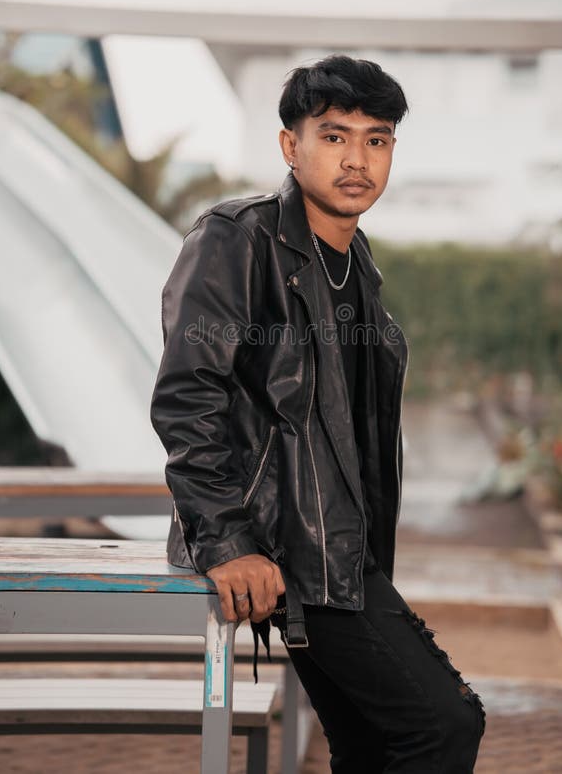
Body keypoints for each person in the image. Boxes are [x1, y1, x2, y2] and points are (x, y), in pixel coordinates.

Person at [150, 54, 486, 772]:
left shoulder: (356, 263)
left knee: (372, 743)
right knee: (443, 725)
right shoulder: (236, 240)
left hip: (341, 553)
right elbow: (188, 397)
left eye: (377, 138)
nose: (357, 158)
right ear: (289, 147)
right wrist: (228, 540)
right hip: (284, 549)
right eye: (334, 136)